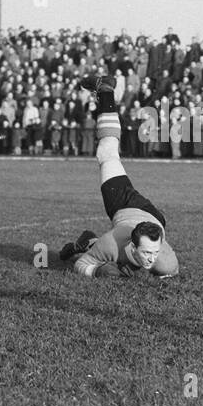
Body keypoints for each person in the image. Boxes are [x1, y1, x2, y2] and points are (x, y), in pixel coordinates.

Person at [59, 75, 179, 279]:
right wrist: (98, 270)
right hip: (123, 204)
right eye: (147, 253)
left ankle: (88, 241)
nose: (151, 259)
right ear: (132, 246)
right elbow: (82, 264)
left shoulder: (164, 261)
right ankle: (105, 90)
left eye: (154, 252)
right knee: (106, 154)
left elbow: (170, 272)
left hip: (154, 219)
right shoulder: (113, 242)